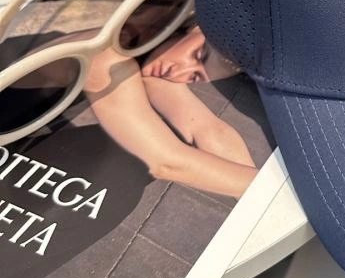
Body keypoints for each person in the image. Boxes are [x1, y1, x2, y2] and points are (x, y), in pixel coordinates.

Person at [25, 23, 259, 199]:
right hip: (14, 110)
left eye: (194, 77)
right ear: (197, 27)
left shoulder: (152, 53)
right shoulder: (109, 57)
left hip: (29, 115)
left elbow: (207, 129)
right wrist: (266, 197)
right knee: (126, 167)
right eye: (197, 56)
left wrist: (267, 195)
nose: (178, 72)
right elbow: (166, 163)